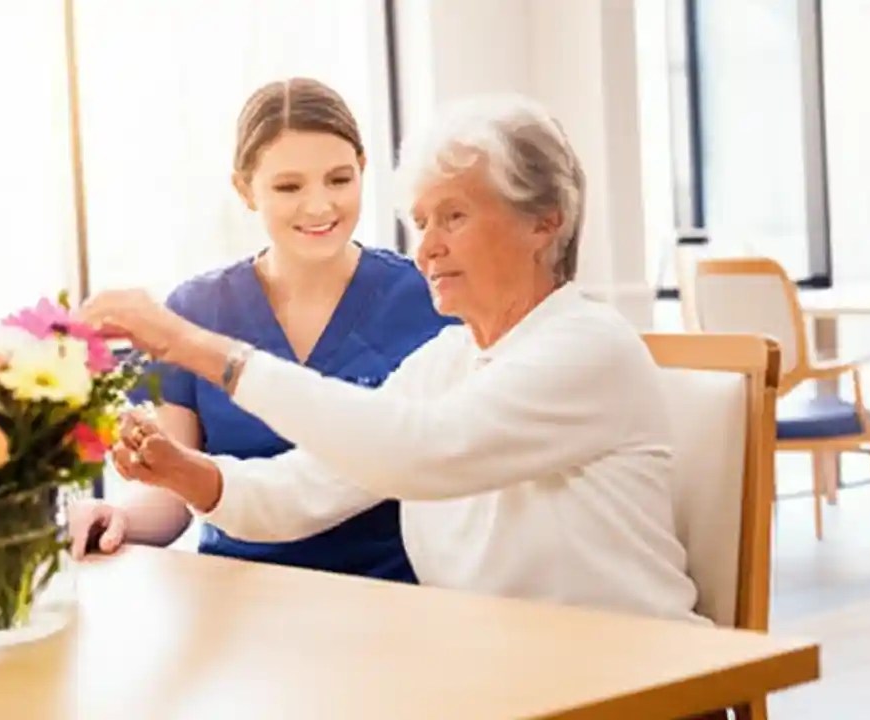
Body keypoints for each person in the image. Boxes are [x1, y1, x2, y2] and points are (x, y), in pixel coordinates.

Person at [77, 93, 706, 624]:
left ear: (545, 222)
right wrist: (182, 471)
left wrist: (195, 346)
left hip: (629, 678)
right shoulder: (450, 358)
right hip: (492, 671)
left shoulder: (587, 346)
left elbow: (419, 451)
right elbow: (306, 487)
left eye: (454, 217)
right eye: (422, 221)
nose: (426, 248)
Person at [70, 77, 453, 583]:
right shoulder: (194, 313)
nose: (319, 206)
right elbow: (171, 486)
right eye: (289, 186)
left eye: (338, 180)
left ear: (363, 169)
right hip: (237, 600)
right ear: (245, 189)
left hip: (390, 596)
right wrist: (120, 518)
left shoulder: (428, 299)